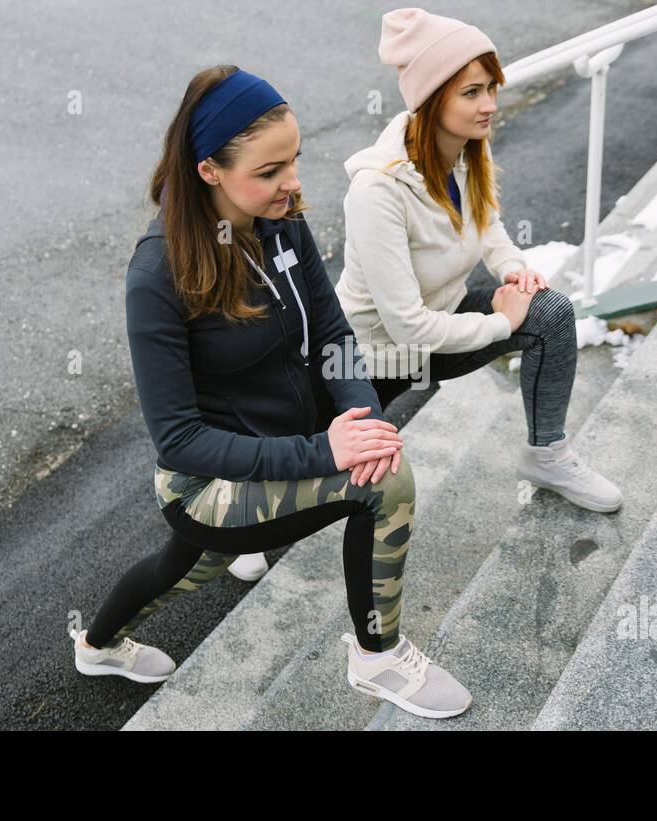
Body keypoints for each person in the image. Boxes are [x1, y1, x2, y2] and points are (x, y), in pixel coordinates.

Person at [69, 65, 472, 719]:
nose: (292, 183)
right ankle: (377, 656)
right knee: (383, 483)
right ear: (209, 171)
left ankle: (97, 643)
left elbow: (335, 332)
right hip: (205, 485)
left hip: (276, 441)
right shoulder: (157, 275)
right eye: (268, 171)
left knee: (186, 566)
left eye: (295, 160)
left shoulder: (281, 220)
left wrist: (361, 422)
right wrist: (326, 452)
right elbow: (180, 441)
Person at [331, 7, 623, 514]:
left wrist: (511, 268)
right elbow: (405, 326)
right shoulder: (376, 190)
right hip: (372, 358)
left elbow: (488, 225)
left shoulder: (467, 150)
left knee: (551, 313)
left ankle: (547, 455)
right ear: (431, 98)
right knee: (320, 467)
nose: (489, 105)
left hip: (439, 326)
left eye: (491, 87)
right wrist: (496, 323)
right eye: (471, 92)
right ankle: (235, 527)